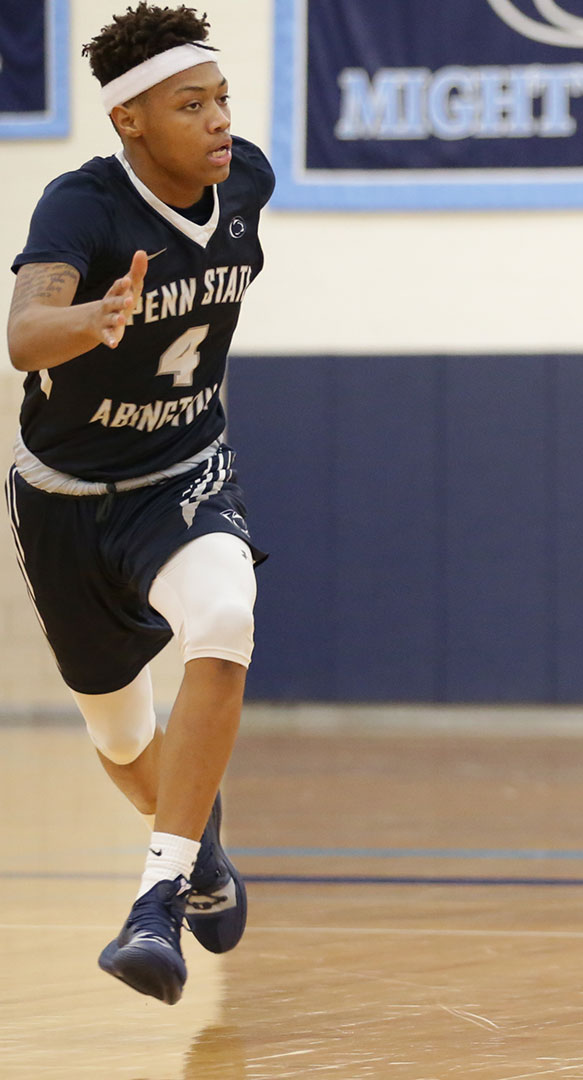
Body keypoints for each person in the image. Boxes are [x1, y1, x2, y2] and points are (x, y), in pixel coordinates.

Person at [5, 3, 272, 1004]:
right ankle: (198, 852)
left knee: (226, 618)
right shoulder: (81, 208)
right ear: (129, 121)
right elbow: (26, 336)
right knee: (121, 738)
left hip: (187, 475)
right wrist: (94, 316)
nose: (218, 122)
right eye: (190, 104)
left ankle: (153, 903)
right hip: (67, 503)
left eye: (222, 99)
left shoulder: (246, 180)